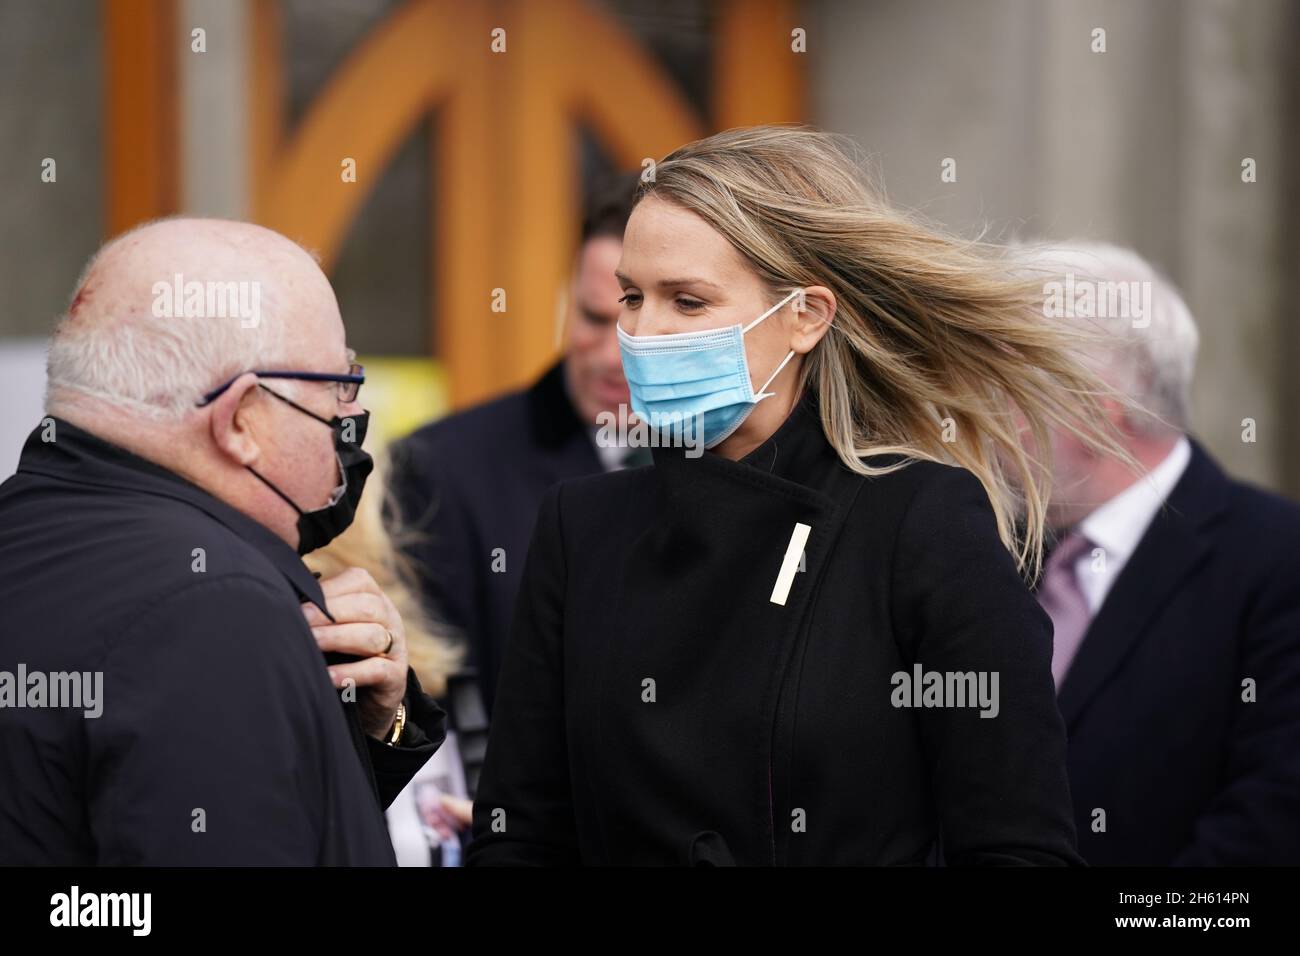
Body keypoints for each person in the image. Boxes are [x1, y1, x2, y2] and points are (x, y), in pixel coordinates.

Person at [467, 126, 1130, 866]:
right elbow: (520, 831)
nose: (641, 332)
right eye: (629, 297)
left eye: (686, 301)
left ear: (805, 316)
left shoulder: (922, 525)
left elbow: (1016, 846)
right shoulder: (582, 528)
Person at [0, 218, 445, 865]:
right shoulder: (216, 607)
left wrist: (363, 731)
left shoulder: (31, 538)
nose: (350, 419)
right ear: (240, 419)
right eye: (337, 386)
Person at [1028, 242, 1300, 865]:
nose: (978, 418)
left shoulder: (1276, 564)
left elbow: (1269, 828)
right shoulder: (993, 549)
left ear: (1090, 410)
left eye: (1004, 388)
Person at [391, 171, 642, 714]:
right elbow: (435, 692)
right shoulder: (441, 467)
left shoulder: (754, 460)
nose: (607, 356)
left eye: (636, 328)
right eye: (593, 317)